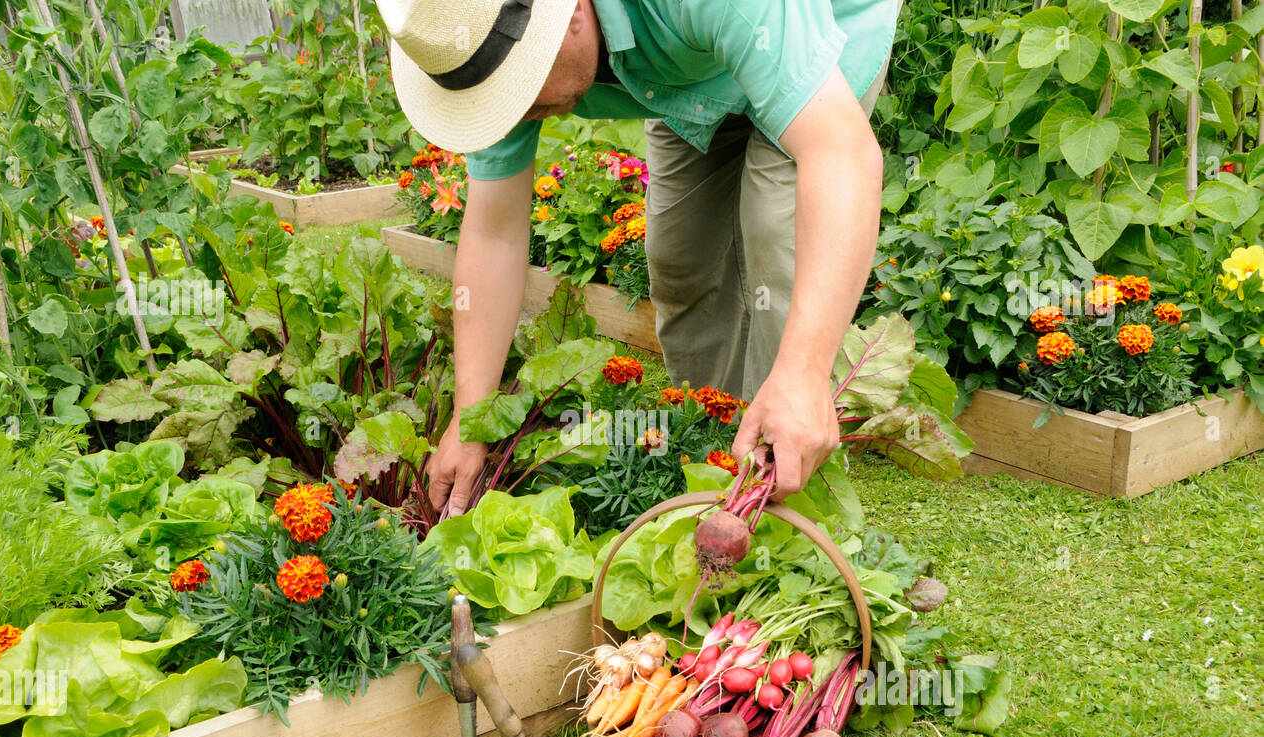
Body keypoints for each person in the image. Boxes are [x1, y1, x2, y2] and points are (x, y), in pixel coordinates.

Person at [377, 0, 900, 514]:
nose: (509, 110)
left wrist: (803, 373)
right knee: (680, 259)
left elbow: (841, 154)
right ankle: (716, 455)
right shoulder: (482, 43)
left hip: (813, 30)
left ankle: (781, 487)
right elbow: (494, 231)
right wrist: (472, 423)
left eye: (521, 83)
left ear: (572, 16)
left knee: (775, 236)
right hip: (693, 67)